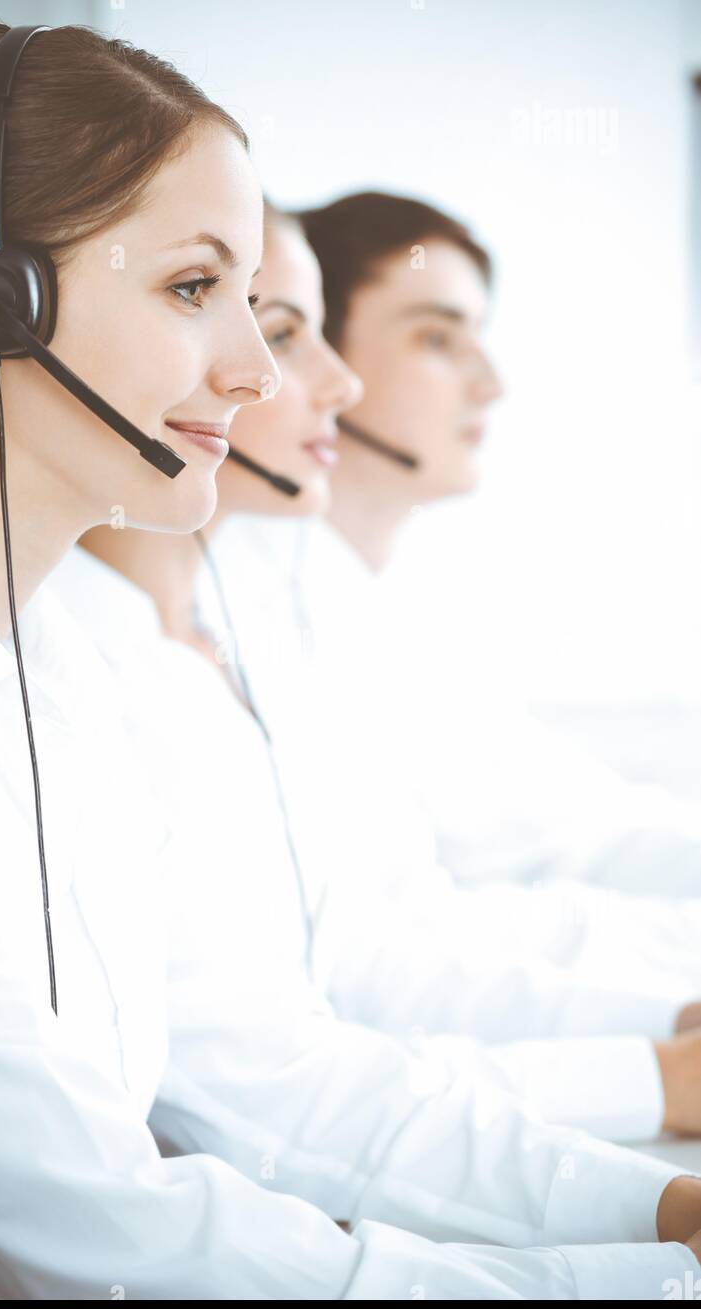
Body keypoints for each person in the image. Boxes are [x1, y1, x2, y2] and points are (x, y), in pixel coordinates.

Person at [0, 25, 700, 1302]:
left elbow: (280, 1088)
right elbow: (103, 1239)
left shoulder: (63, 680)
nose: (256, 372)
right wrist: (634, 1301)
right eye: (196, 290)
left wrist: (659, 1210)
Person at [214, 190, 701, 906]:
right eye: (436, 339)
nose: (491, 385)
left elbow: (582, 828)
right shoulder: (245, 610)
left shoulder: (390, 607)